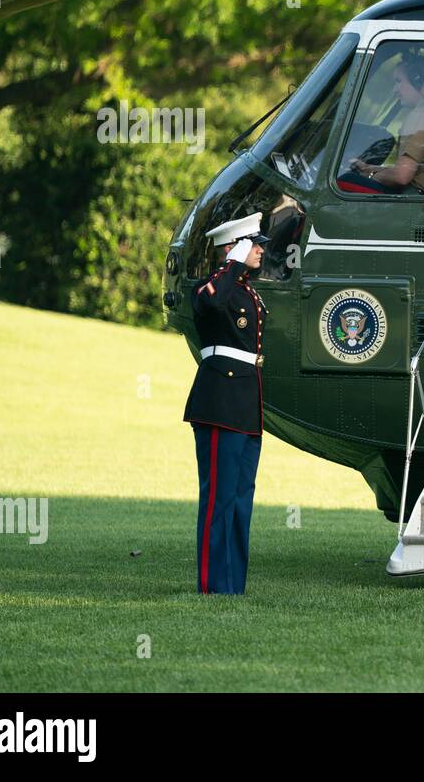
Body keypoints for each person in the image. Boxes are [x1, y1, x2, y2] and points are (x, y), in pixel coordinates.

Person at [182, 212, 269, 595]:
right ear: (236, 248)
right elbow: (212, 306)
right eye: (255, 244)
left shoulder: (245, 290)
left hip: (246, 404)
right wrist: (233, 261)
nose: (262, 250)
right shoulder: (212, 288)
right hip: (220, 402)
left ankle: (233, 585)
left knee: (239, 500)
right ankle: (213, 585)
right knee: (218, 497)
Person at [344, 55, 424, 194]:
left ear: (416, 79)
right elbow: (418, 168)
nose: (395, 89)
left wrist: (370, 176)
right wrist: (369, 168)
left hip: (412, 195)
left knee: (345, 180)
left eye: (398, 81)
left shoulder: (421, 115)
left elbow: (402, 177)